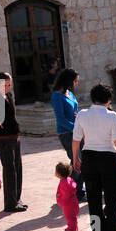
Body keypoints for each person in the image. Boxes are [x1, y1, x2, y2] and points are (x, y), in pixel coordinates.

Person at [72, 84, 116, 231]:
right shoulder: (112, 116)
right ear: (109, 99)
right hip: (108, 158)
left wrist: (75, 158)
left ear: (93, 98)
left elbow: (76, 140)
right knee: (112, 198)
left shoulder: (82, 115)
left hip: (89, 158)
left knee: (93, 198)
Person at [0, 72, 26, 213]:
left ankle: (17, 199)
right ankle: (10, 204)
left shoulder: (9, 96)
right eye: (4, 85)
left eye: (9, 85)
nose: (7, 87)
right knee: (9, 170)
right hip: (3, 139)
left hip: (14, 136)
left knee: (17, 168)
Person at [51, 69, 85, 202]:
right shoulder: (56, 96)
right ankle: (72, 191)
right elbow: (61, 119)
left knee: (80, 160)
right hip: (66, 133)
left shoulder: (70, 93)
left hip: (76, 131)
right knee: (77, 160)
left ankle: (75, 190)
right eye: (75, 81)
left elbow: (75, 111)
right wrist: (76, 129)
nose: (76, 83)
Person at [54, 161, 79, 231]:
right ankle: (73, 228)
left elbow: (66, 196)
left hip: (68, 204)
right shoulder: (68, 179)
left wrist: (62, 202)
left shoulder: (64, 183)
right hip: (73, 202)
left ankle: (72, 230)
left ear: (58, 174)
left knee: (70, 218)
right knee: (73, 217)